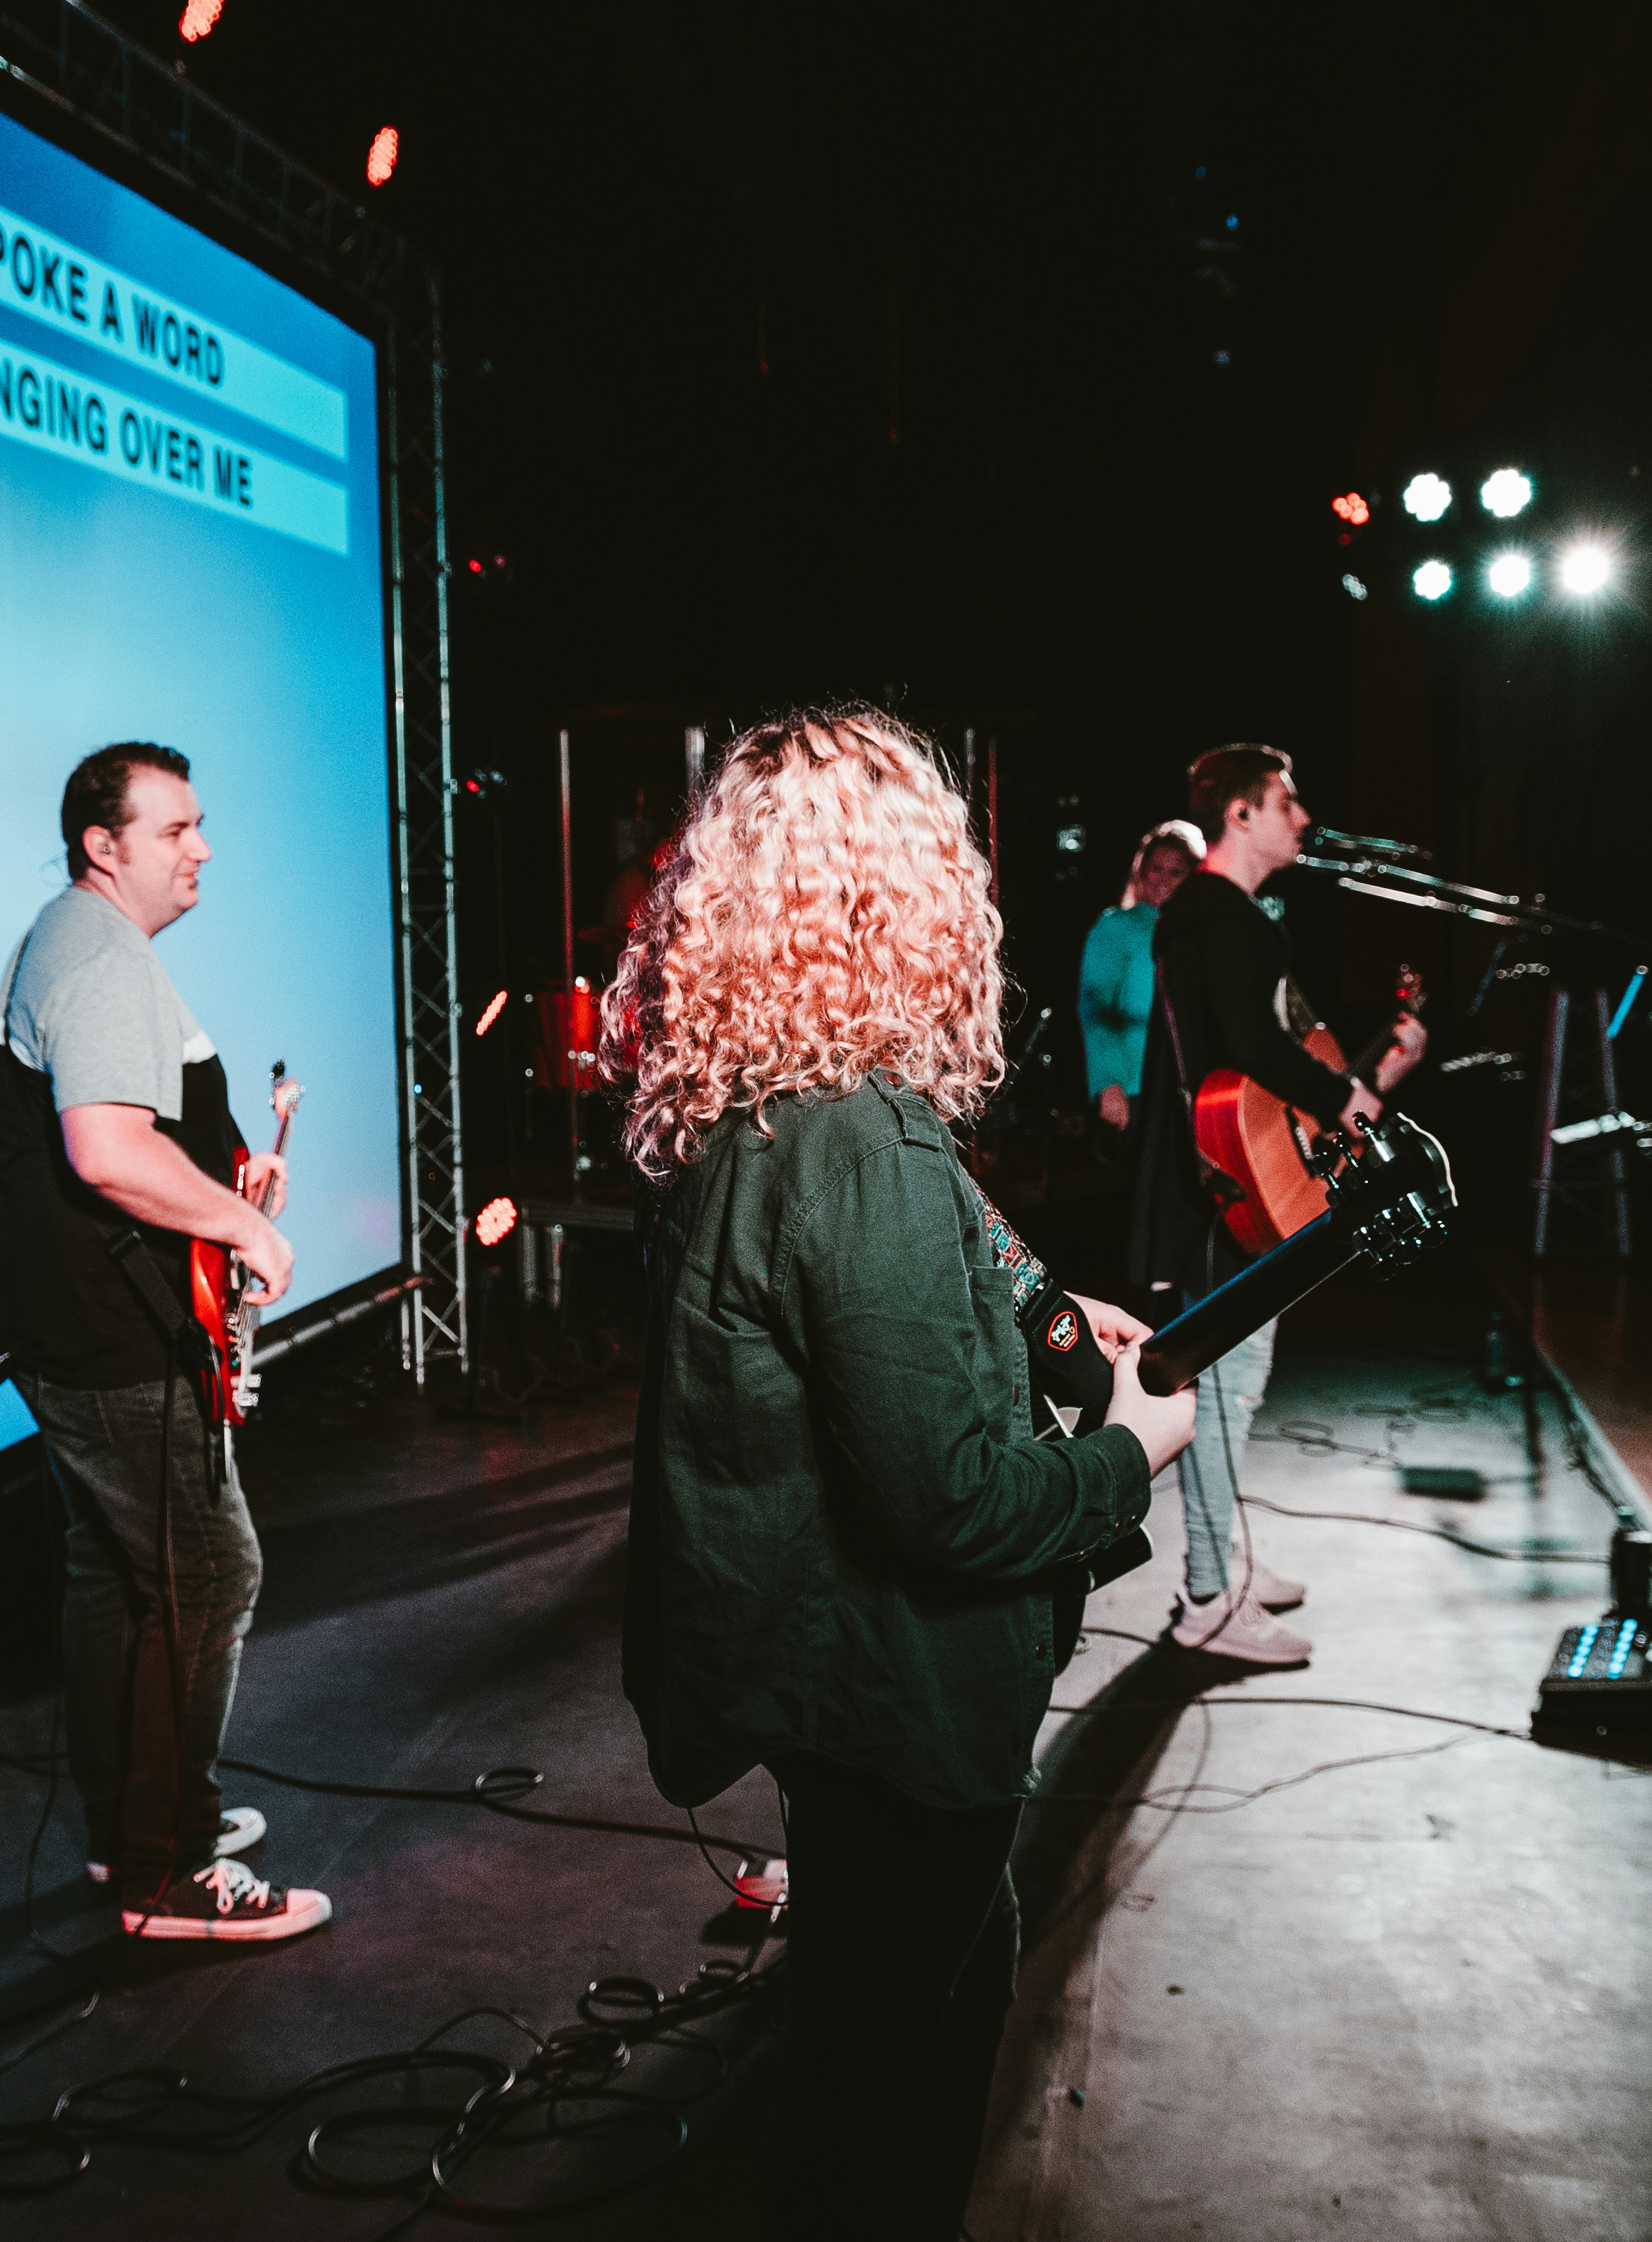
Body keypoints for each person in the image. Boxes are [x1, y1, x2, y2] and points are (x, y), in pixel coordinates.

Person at [607, 707, 1197, 2238]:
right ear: (895, 890)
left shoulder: (780, 1112)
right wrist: (1131, 1448)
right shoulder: (851, 1135)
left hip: (840, 1709)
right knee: (894, 2101)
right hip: (891, 1706)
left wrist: (1056, 1318)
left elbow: (951, 1276)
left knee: (876, 2034)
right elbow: (948, 1502)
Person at [0, 741, 330, 1943]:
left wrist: (229, 1178)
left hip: (73, 1328)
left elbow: (141, 1138)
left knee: (115, 1577)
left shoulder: (75, 941)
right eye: (176, 829)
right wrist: (242, 1223)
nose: (203, 848)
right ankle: (170, 1865)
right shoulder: (99, 952)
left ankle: (124, 1826)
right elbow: (106, 1152)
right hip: (111, 1337)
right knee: (208, 1574)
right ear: (104, 844)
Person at [1134, 743, 1425, 1665]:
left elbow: (1263, 1051)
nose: (1304, 818)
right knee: (1224, 1391)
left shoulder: (1221, 917)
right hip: (1217, 1192)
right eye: (1288, 803)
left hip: (1211, 1181)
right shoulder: (1226, 919)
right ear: (1244, 816)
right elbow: (1251, 1046)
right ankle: (1210, 1601)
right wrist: (1350, 1095)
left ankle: (1224, 1561)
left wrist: (1360, 1071)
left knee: (1236, 1385)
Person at [1075, 818, 1207, 1134]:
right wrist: (1107, 1083)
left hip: (1198, 1090)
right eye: (1156, 868)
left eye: (1177, 872)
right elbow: (1095, 1013)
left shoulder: (1199, 933)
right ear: (1141, 869)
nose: (1164, 879)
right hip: (1137, 1091)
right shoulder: (1114, 928)